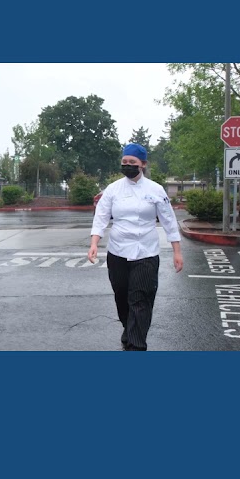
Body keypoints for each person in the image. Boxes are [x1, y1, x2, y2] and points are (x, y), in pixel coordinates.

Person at [88, 143, 184, 351]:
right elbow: (101, 216)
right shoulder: (113, 189)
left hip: (146, 252)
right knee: (121, 296)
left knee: (140, 298)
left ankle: (136, 345)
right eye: (125, 162)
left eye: (133, 162)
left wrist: (177, 251)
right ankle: (128, 326)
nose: (128, 166)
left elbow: (168, 220)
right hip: (118, 251)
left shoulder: (155, 190)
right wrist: (94, 243)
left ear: (143, 164)